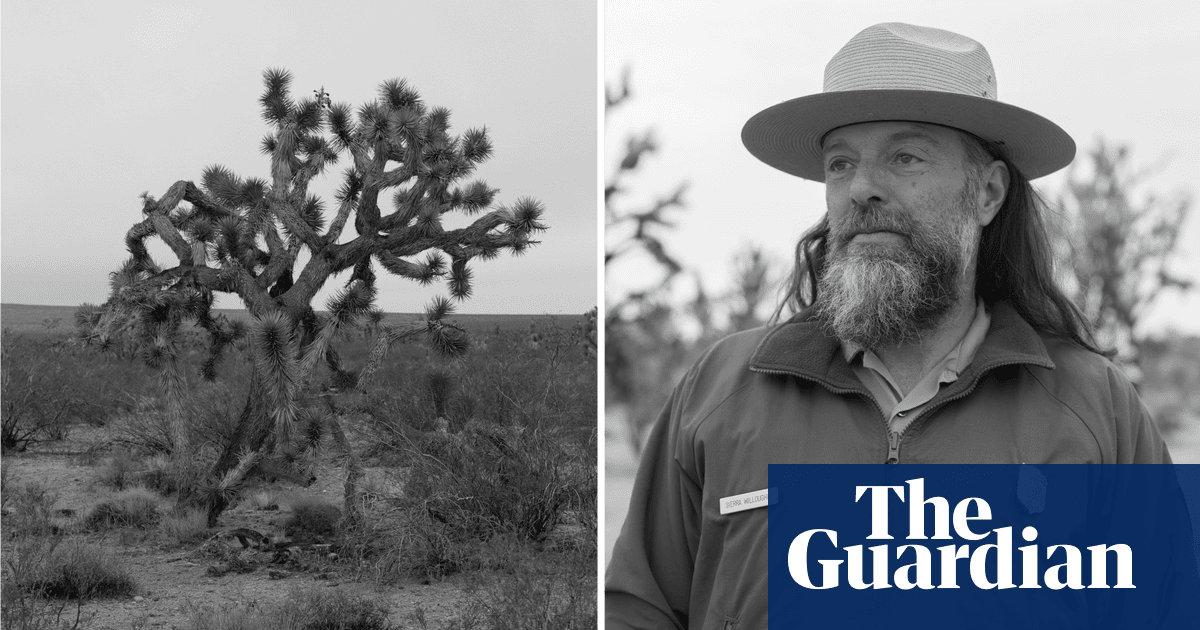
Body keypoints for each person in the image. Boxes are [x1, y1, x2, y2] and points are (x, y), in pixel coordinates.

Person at [603, 22, 1173, 629]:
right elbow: (640, 609)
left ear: (987, 193)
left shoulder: (1092, 406)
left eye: (905, 157)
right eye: (841, 163)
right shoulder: (721, 390)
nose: (863, 188)